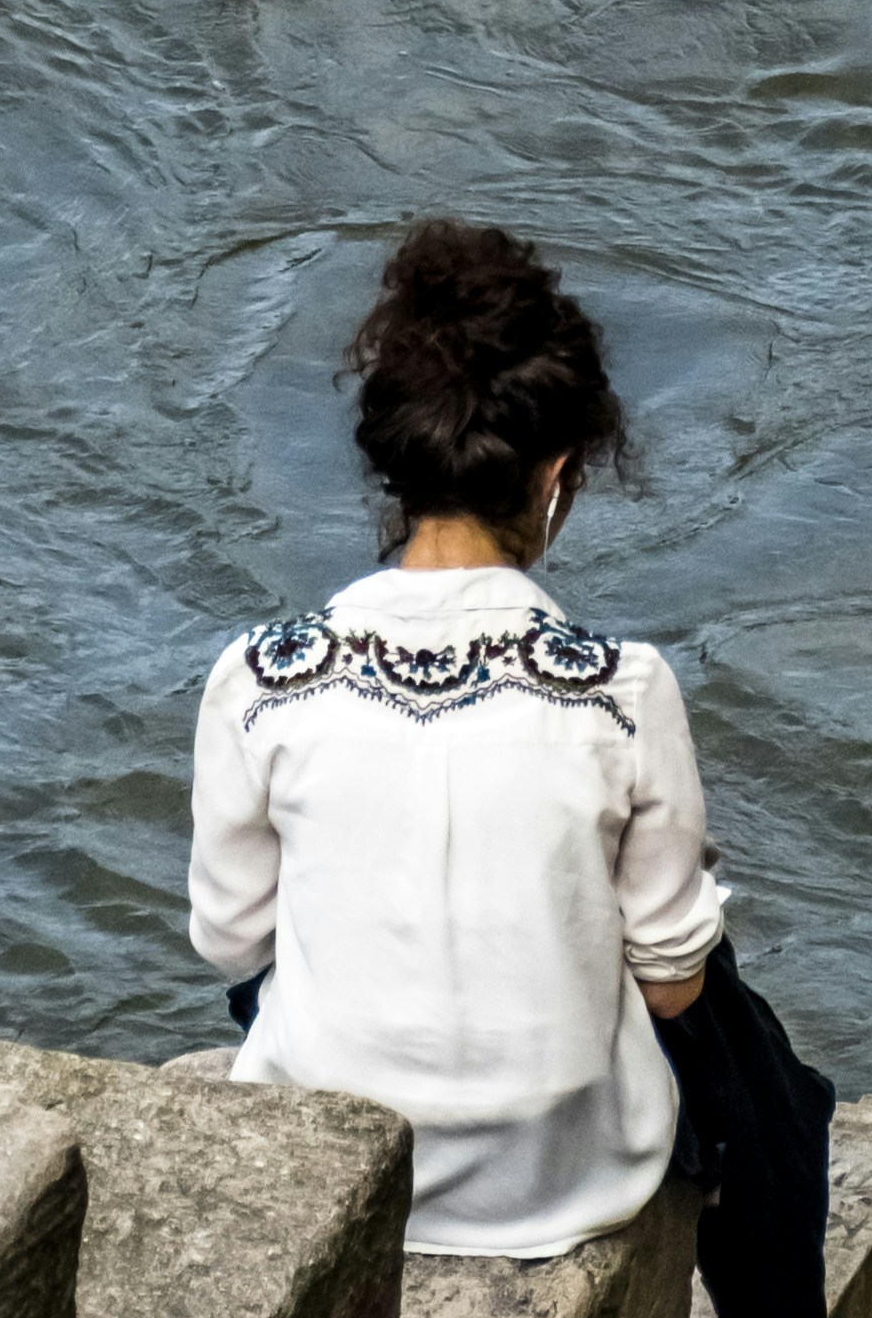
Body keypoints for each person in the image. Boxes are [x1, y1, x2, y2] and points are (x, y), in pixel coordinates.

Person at [188, 211, 725, 1255]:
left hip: (342, 1160)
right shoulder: (620, 688)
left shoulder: (260, 674)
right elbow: (670, 981)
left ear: (396, 464)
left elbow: (228, 939)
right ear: (555, 471)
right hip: (562, 1175)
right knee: (719, 991)